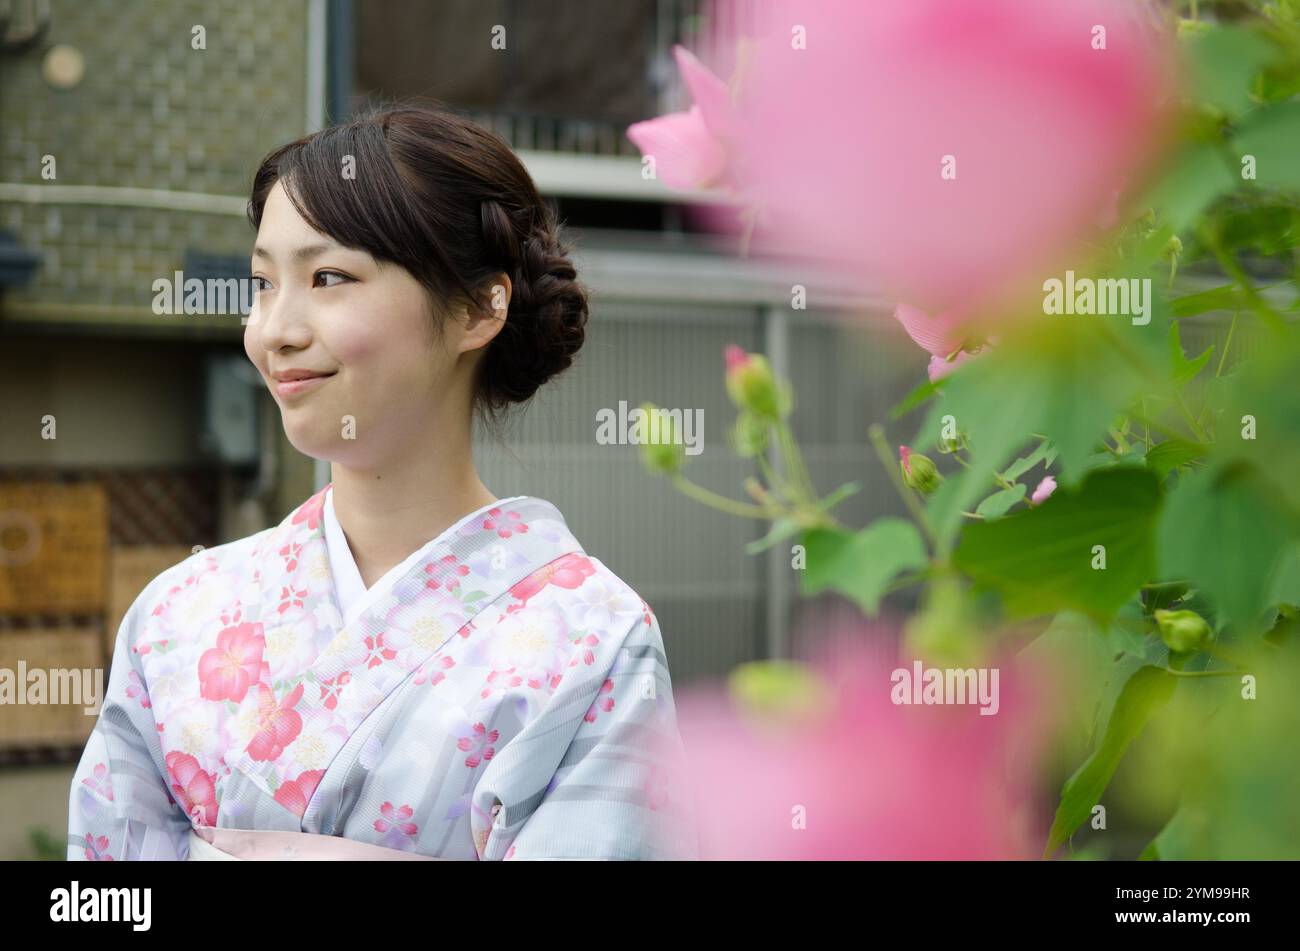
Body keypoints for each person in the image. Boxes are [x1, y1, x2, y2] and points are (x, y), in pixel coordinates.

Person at [67, 103, 697, 861]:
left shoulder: (593, 639)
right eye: (263, 283)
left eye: (328, 277)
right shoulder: (174, 614)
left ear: (478, 307)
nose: (276, 330)